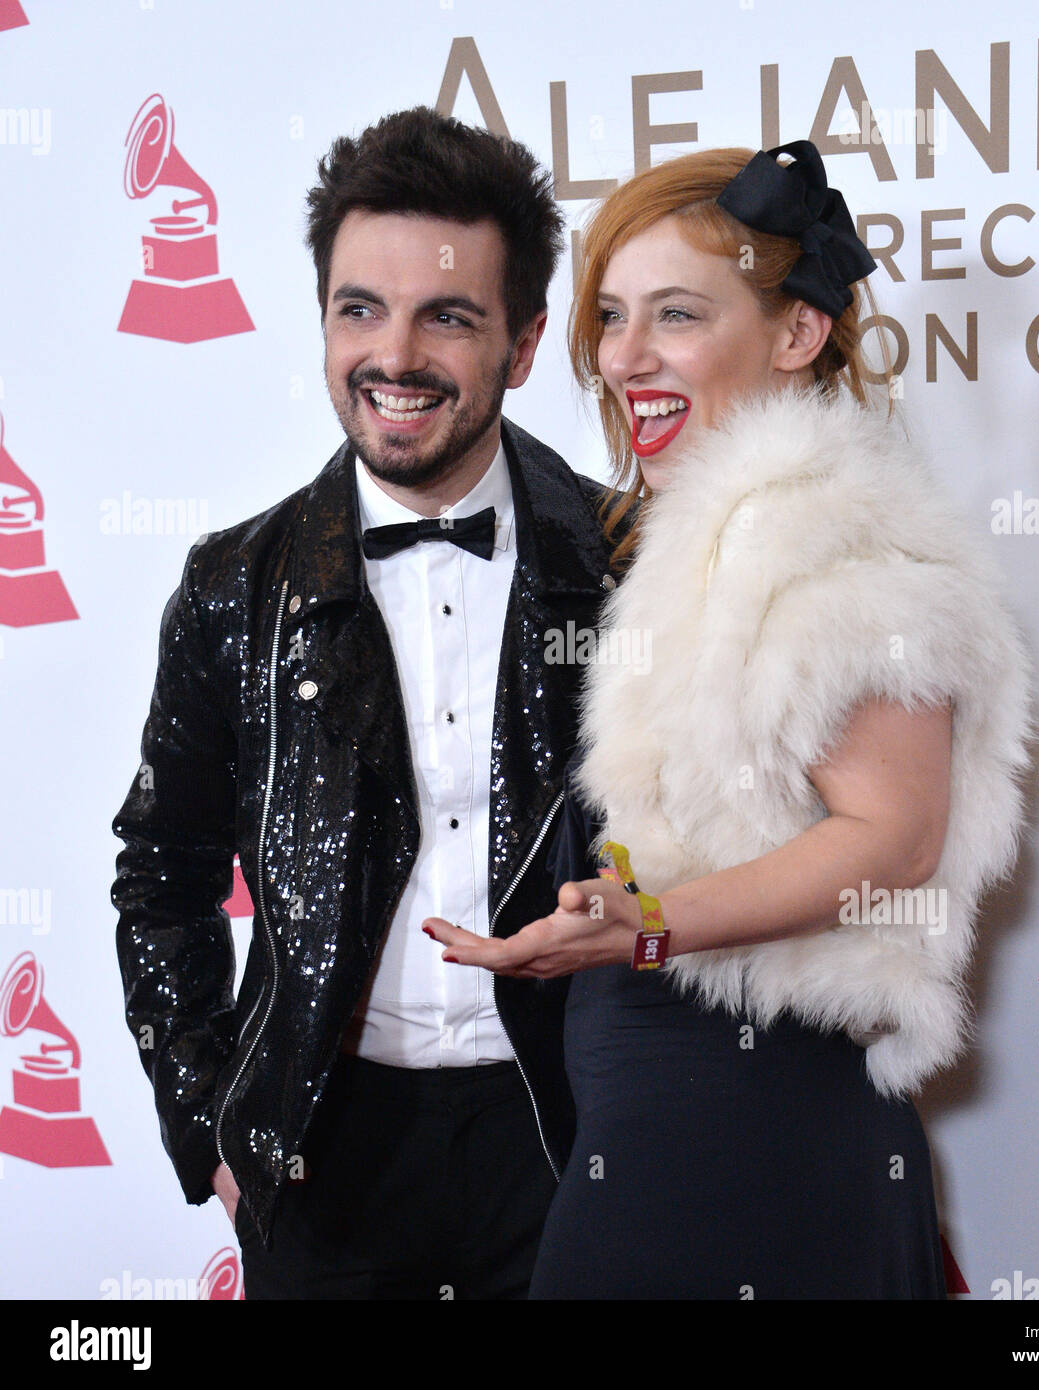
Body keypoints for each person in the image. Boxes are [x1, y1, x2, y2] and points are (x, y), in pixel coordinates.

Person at [423, 141, 1034, 1298]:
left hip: (749, 1134)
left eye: (677, 316)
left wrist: (649, 921)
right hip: (663, 1124)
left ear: (798, 333)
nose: (624, 356)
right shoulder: (697, 539)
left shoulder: (833, 531)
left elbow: (892, 838)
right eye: (610, 316)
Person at [111, 106, 627, 1299]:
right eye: (361, 308)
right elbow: (161, 872)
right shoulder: (234, 584)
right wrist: (212, 1132)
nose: (394, 355)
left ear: (527, 339)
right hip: (319, 1150)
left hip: (568, 1139)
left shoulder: (629, 563)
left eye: (448, 315)